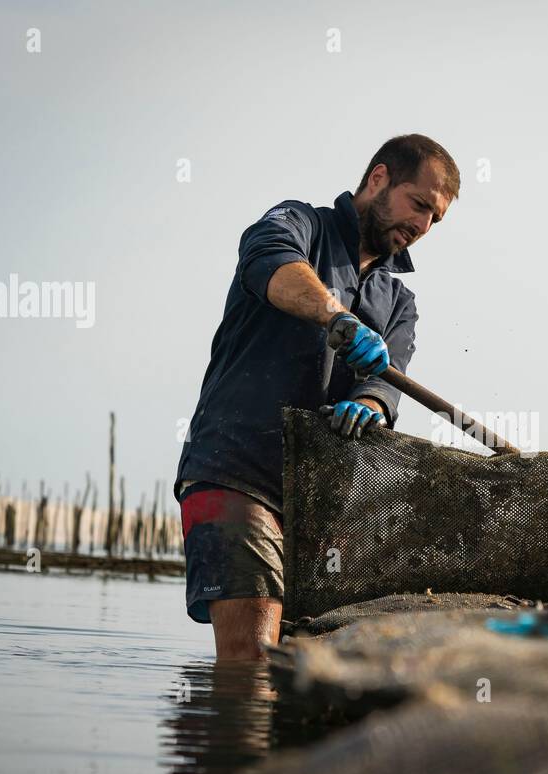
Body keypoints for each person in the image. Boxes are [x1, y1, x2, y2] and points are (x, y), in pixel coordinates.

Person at [174, 134, 459, 659]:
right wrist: (336, 318)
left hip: (324, 506)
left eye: (434, 220)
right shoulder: (300, 224)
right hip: (235, 470)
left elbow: (385, 384)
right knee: (252, 662)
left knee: (303, 660)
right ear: (378, 179)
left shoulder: (399, 302)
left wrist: (371, 404)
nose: (422, 226)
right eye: (419, 205)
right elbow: (268, 261)